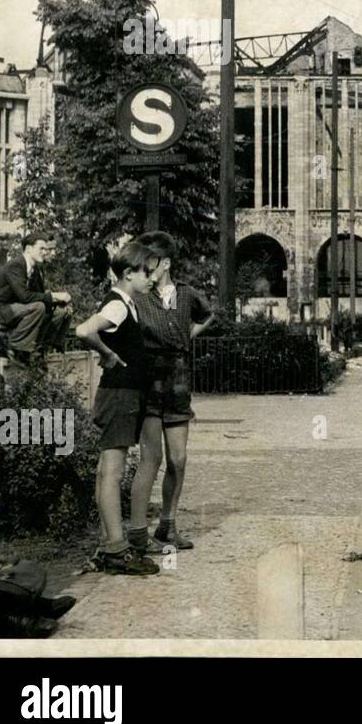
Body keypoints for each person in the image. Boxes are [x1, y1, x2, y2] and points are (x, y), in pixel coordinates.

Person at [74, 240, 161, 575]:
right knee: (112, 471)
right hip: (121, 395)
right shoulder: (119, 306)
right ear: (129, 273)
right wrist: (108, 355)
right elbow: (84, 330)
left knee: (105, 471)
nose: (152, 279)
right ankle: (116, 550)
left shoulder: (125, 303)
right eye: (147, 273)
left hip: (121, 394)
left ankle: (108, 544)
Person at [129, 231, 213, 555]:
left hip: (178, 382)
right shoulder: (138, 297)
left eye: (149, 262)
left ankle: (168, 524)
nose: (145, 269)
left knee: (178, 459)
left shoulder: (187, 294)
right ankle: (139, 531)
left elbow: (207, 315)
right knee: (152, 458)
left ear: (164, 263)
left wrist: (187, 335)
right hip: (149, 382)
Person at [0, 232, 73, 364]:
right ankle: (16, 348)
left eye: (46, 249)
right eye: (42, 248)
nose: (45, 252)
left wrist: (57, 303)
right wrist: (54, 296)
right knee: (39, 307)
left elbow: (38, 297)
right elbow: (25, 296)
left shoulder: (34, 269)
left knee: (61, 311)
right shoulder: (16, 265)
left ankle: (41, 348)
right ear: (28, 249)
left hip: (18, 308)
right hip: (1, 310)